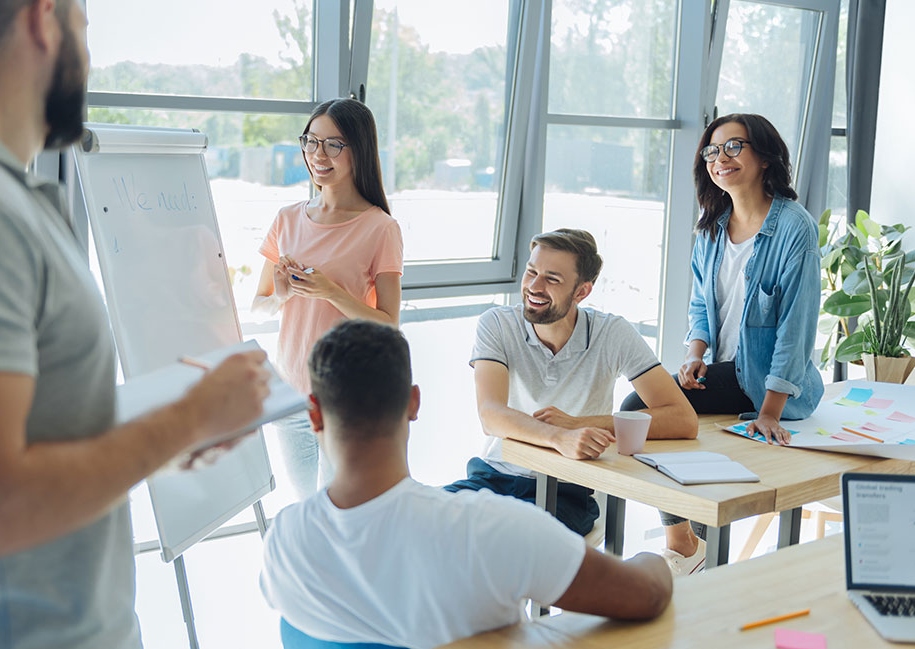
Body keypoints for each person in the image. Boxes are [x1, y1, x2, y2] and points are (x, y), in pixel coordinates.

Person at [0, 2, 270, 647]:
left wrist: (170, 432)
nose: (88, 59)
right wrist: (189, 418)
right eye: (85, 30)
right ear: (42, 20)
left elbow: (28, 431)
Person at [260, 320, 673, 649]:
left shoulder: (284, 539)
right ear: (413, 402)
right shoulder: (489, 529)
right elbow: (646, 596)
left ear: (314, 414)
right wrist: (656, 557)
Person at [621, 113, 823, 575]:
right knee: (641, 407)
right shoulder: (712, 228)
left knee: (643, 410)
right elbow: (699, 308)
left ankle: (690, 546)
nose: (720, 158)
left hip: (767, 382)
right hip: (722, 369)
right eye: (712, 151)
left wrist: (770, 410)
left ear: (765, 157)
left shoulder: (795, 228)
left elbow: (797, 329)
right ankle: (686, 543)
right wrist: (694, 356)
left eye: (734, 147)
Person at [445, 229, 698, 535]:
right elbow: (491, 414)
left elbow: (682, 419)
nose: (534, 287)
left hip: (569, 492)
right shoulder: (497, 324)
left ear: (582, 292)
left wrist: (579, 424)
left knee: (510, 544)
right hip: (494, 476)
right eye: (531, 272)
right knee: (419, 522)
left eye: (552, 279)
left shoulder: (613, 333)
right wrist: (557, 436)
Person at [253, 98, 403, 500]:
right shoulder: (286, 219)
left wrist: (331, 292)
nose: (318, 155)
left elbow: (389, 323)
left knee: (339, 510)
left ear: (360, 150)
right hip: (290, 393)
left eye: (333, 145)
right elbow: (259, 305)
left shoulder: (380, 228)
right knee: (304, 507)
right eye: (311, 142)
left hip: (347, 397)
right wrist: (282, 295)